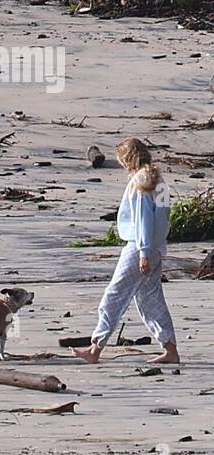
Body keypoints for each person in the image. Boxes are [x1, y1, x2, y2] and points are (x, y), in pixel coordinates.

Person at [73, 138, 179, 365]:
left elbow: (143, 220)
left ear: (128, 159)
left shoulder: (140, 181)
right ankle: (170, 349)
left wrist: (143, 251)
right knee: (150, 299)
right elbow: (163, 218)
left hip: (140, 247)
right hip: (157, 247)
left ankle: (95, 348)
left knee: (114, 295)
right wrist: (155, 247)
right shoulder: (160, 181)